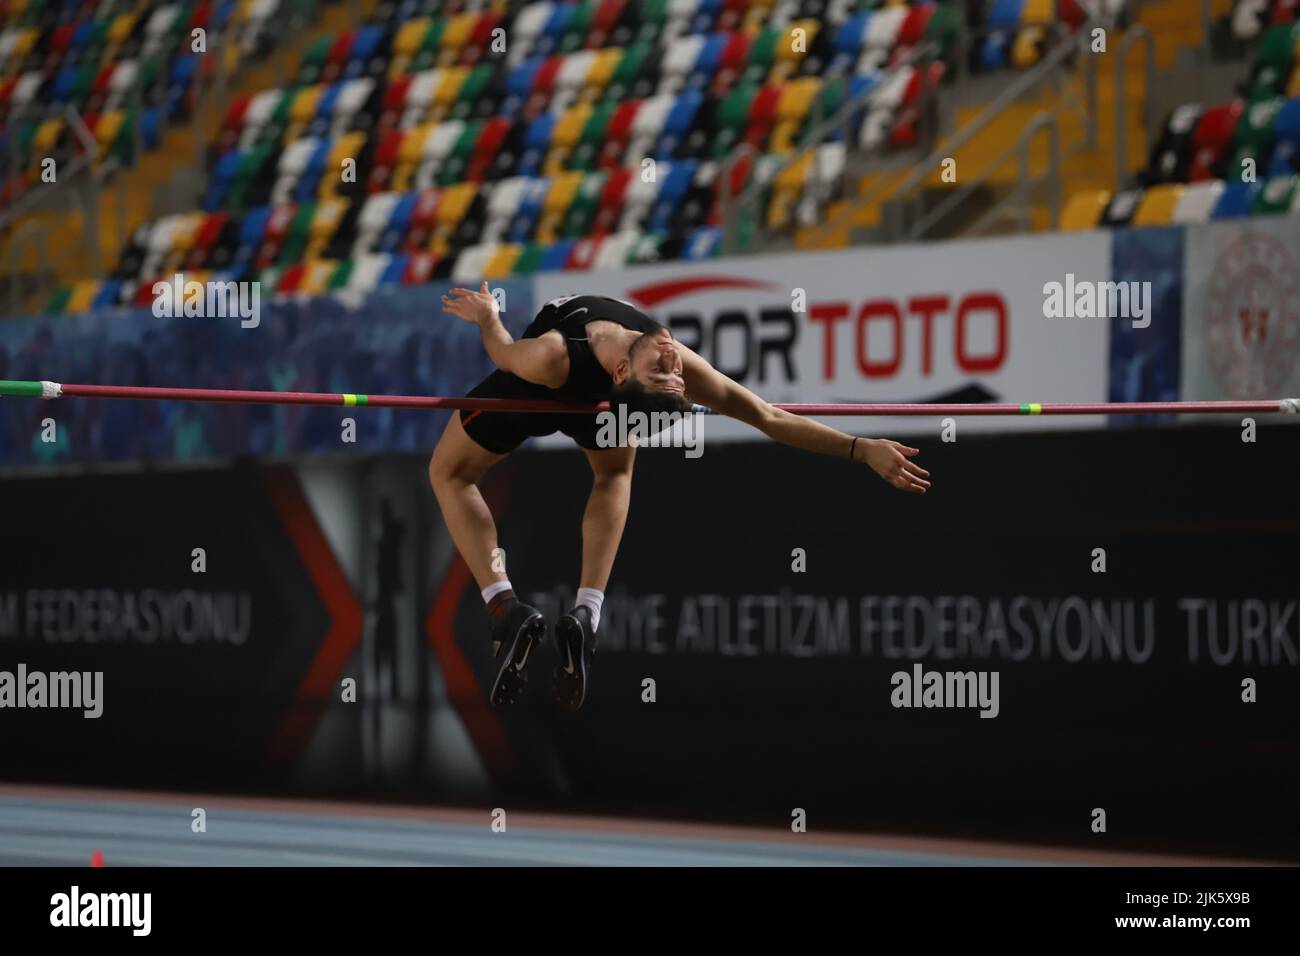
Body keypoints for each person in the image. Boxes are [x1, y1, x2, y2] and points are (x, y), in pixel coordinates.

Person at [429, 282, 930, 711]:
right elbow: (769, 418)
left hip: (538, 388)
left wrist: (488, 316)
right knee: (613, 475)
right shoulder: (650, 358)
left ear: (623, 376)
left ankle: (505, 605)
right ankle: (588, 611)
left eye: (665, 371)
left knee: (449, 473)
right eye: (669, 371)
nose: (673, 361)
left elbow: (501, 350)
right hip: (574, 395)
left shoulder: (551, 354)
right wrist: (860, 450)